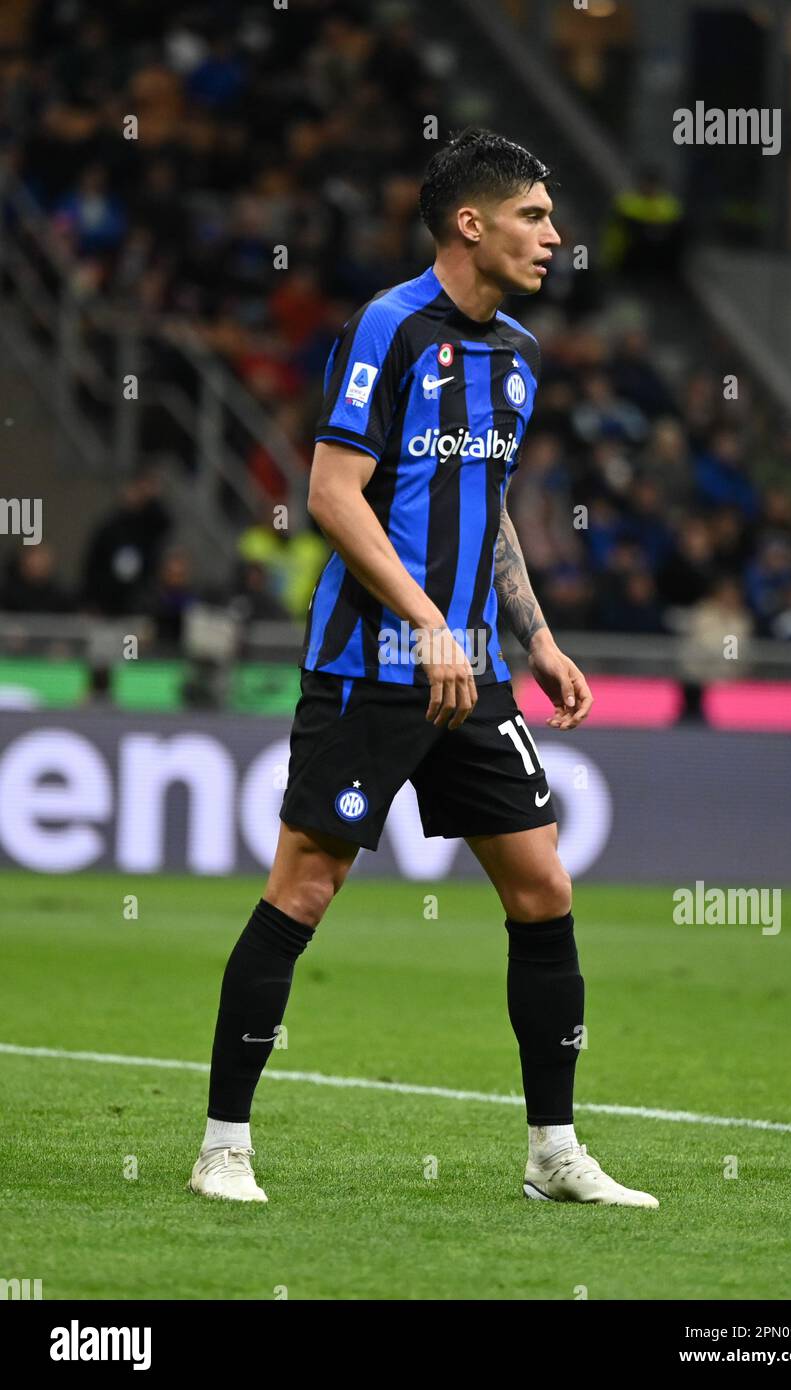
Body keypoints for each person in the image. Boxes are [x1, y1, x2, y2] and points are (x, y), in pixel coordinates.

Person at [189, 128, 658, 1210]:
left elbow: (485, 509)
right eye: (535, 216)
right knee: (306, 885)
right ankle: (223, 1143)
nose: (553, 236)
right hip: (373, 664)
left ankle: (553, 1150)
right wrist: (425, 624)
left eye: (550, 218)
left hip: (473, 671)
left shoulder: (523, 356)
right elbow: (333, 494)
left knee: (543, 887)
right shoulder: (387, 330)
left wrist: (531, 635)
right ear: (471, 223)